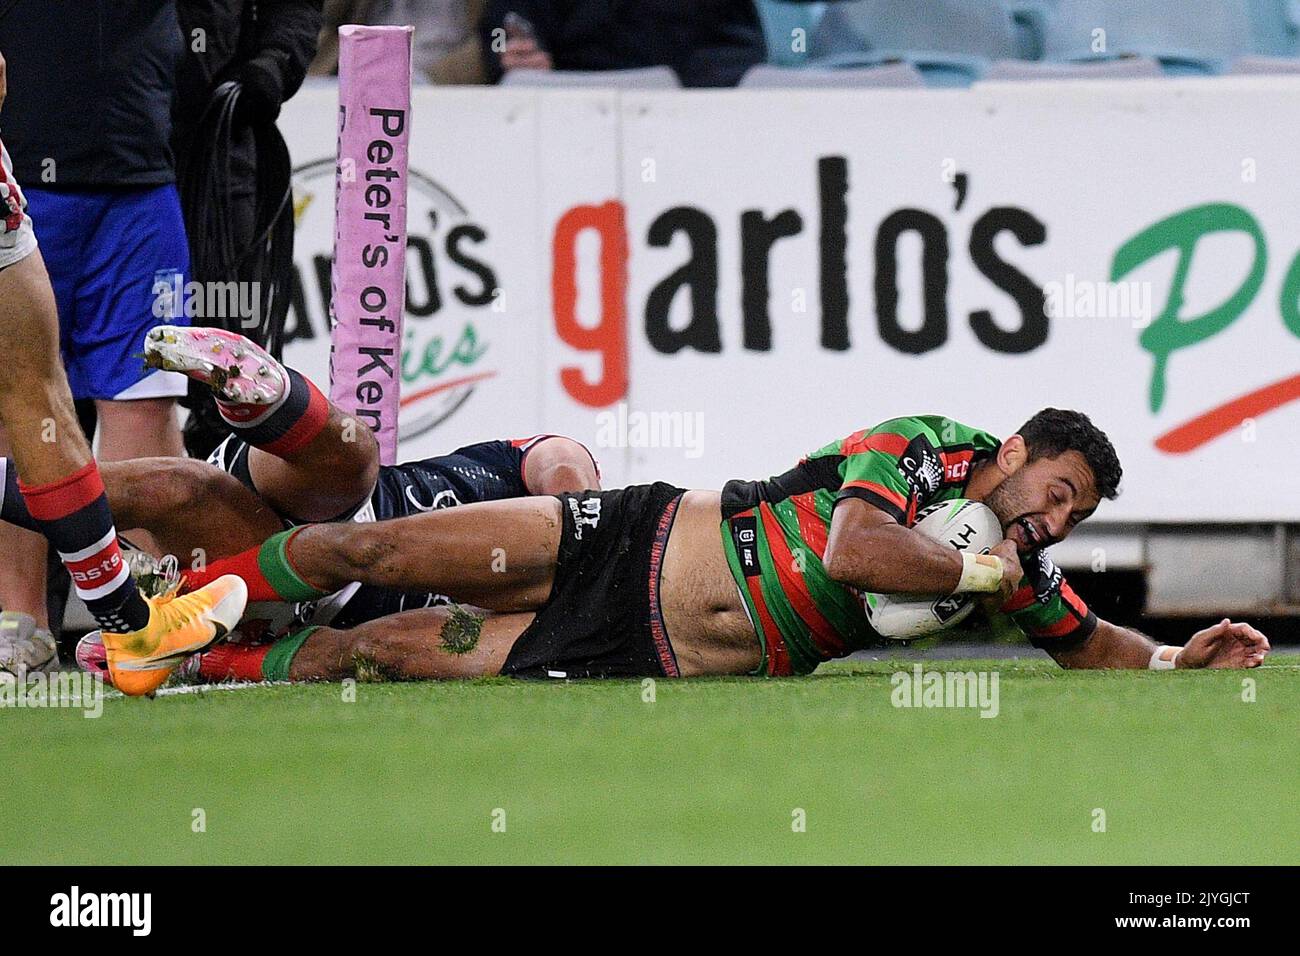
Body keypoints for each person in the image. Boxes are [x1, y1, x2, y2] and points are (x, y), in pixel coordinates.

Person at [176, 408, 1271, 681]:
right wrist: (986, 572)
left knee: (380, 650)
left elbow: (1085, 643)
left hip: (630, 649)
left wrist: (1174, 659)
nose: (1055, 524)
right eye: (1059, 494)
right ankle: (169, 611)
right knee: (370, 551)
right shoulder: (924, 448)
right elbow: (854, 552)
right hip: (623, 540)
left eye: (1076, 519)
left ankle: (193, 665)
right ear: (1017, 451)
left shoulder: (1015, 560)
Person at [0, 50, 246, 696]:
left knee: (33, 400)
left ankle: (133, 626)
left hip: (98, 167)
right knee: (29, 397)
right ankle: (125, 626)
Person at [480, 1, 768, 87]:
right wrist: (506, 54)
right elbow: (498, 30)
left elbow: (742, 48)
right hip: (570, 111)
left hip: (688, 117)